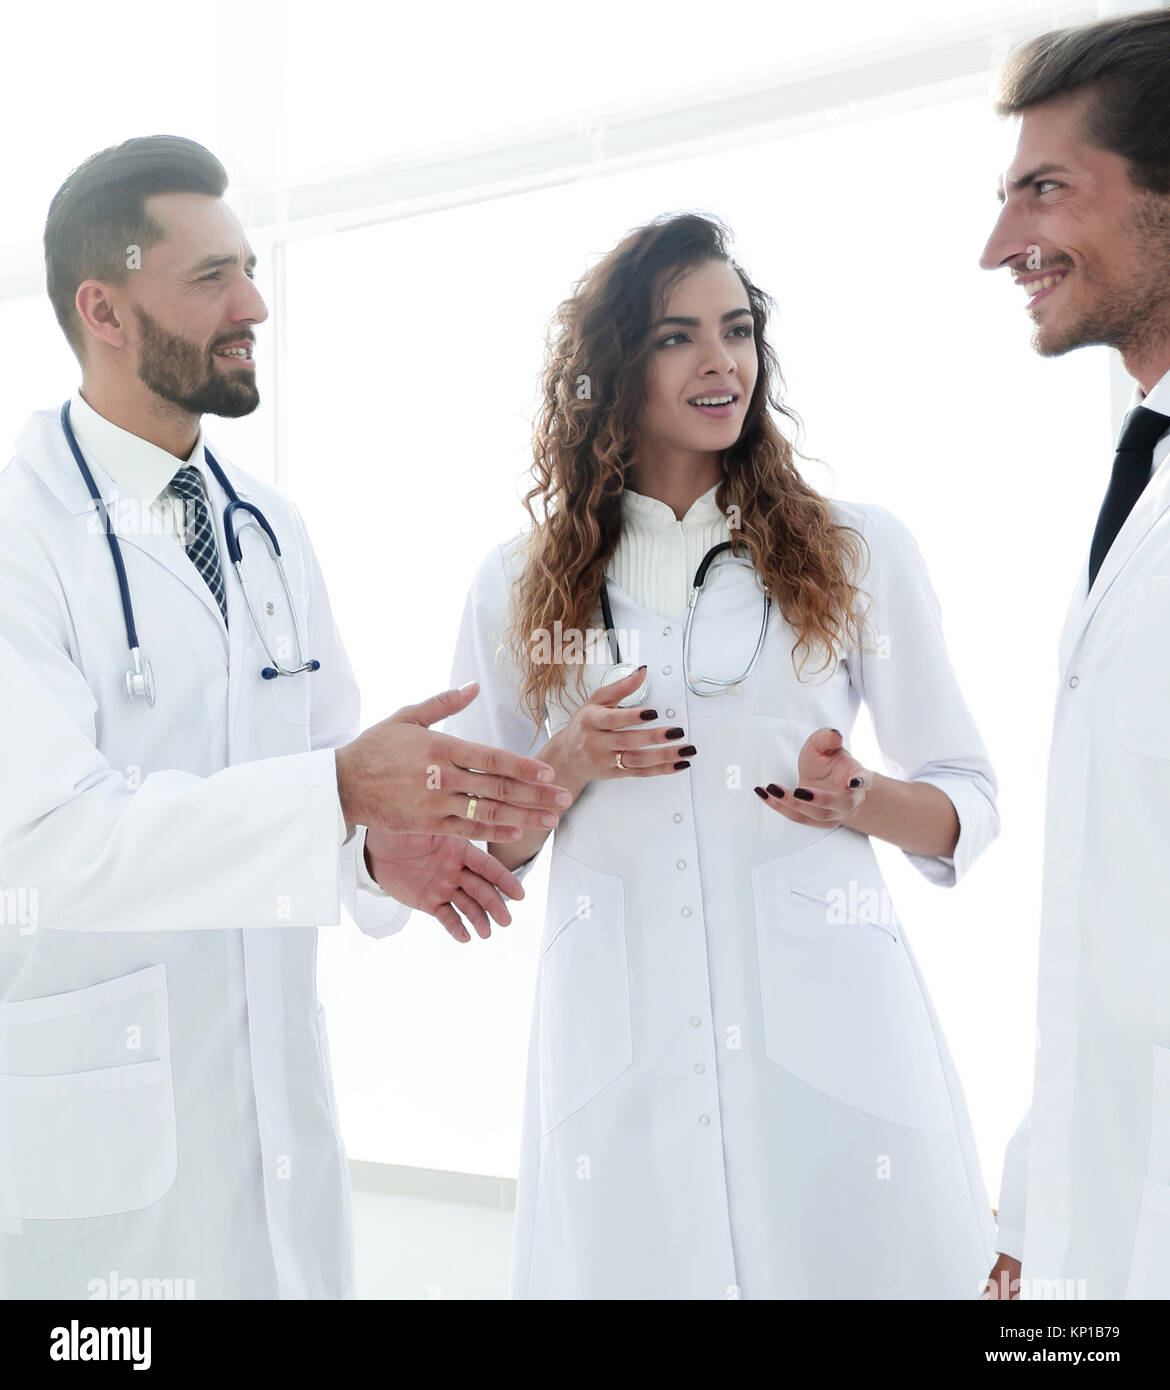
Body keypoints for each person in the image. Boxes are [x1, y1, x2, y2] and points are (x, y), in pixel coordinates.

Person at [0, 136, 570, 1300]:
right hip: (94, 1171)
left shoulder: (266, 526)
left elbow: (326, 779)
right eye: (211, 276)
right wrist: (342, 795)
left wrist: (381, 850)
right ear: (102, 306)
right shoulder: (20, 528)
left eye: (250, 268)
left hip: (276, 1133)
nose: (254, 303)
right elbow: (49, 844)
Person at [444, 211, 1001, 1298]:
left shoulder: (856, 547)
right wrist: (563, 759)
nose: (721, 361)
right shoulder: (515, 585)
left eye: (738, 330)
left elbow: (965, 797)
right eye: (677, 335)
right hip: (624, 1059)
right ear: (613, 367)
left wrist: (861, 795)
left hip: (836, 1052)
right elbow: (478, 852)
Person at [979, 10, 1170, 1302]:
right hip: (1102, 1203)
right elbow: (1118, 909)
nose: (998, 246)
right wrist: (1036, 1198)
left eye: (1044, 189)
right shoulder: (1141, 465)